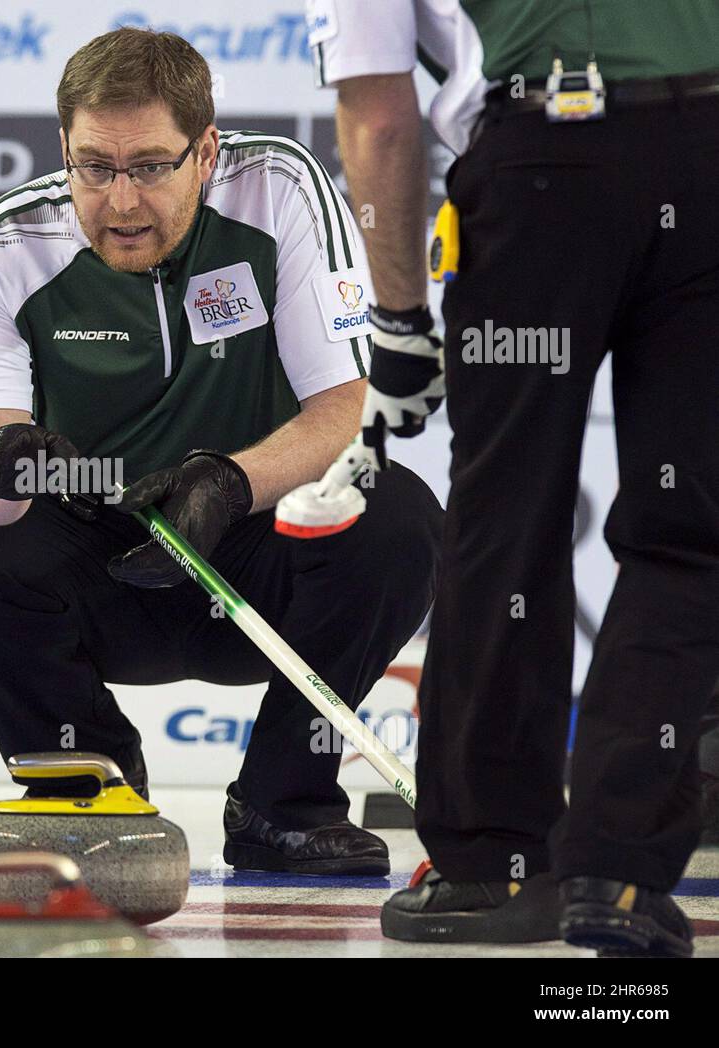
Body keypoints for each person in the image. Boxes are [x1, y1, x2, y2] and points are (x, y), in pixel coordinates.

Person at [0, 27, 442, 876]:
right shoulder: (2, 245)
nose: (121, 201)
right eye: (95, 167)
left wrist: (229, 481)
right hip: (103, 563)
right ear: (63, 151)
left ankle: (283, 803)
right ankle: (90, 791)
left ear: (207, 150)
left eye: (152, 166)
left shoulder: (280, 189)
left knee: (398, 517)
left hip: (255, 546)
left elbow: (349, 408)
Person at [299, 0, 719, 955]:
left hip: (545, 166)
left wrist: (400, 323)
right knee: (691, 531)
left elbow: (378, 110)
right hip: (708, 159)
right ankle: (616, 871)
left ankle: (494, 868)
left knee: (506, 516)